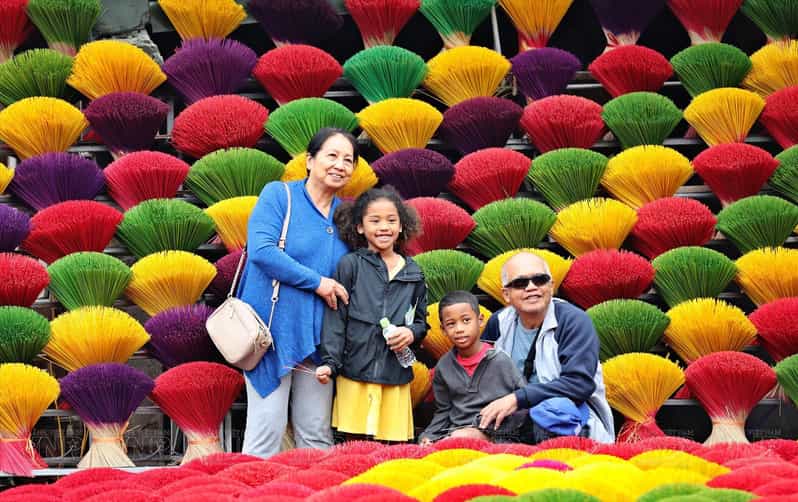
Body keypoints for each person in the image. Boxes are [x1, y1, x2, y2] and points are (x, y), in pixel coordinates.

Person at [239, 128, 357, 457]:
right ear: (309, 160)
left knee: (316, 433)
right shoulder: (280, 196)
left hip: (320, 340)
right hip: (272, 335)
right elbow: (263, 251)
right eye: (332, 155)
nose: (340, 165)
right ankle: (252, 486)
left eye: (348, 160)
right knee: (266, 429)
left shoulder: (347, 216)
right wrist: (318, 282)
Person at [316, 187, 427, 442]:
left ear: (401, 226)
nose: (384, 227)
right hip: (354, 376)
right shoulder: (350, 265)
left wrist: (410, 333)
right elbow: (336, 320)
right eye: (374, 221)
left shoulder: (415, 272)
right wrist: (330, 363)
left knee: (392, 449)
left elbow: (421, 322)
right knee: (355, 448)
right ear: (359, 227)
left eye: (391, 220)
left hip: (395, 378)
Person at [478, 252, 615, 444]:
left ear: (551, 286)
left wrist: (517, 398)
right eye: (520, 283)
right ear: (506, 294)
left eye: (539, 280)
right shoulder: (499, 323)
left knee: (554, 410)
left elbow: (579, 384)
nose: (531, 287)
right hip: (514, 418)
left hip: (568, 419)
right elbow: (482, 375)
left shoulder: (573, 321)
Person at [418, 291, 524, 445]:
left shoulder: (501, 361)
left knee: (460, 438)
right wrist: (428, 436)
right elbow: (444, 411)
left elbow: (522, 402)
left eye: (466, 320)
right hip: (456, 432)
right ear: (443, 329)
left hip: (498, 435)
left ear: (480, 320)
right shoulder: (444, 366)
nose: (459, 329)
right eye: (451, 324)